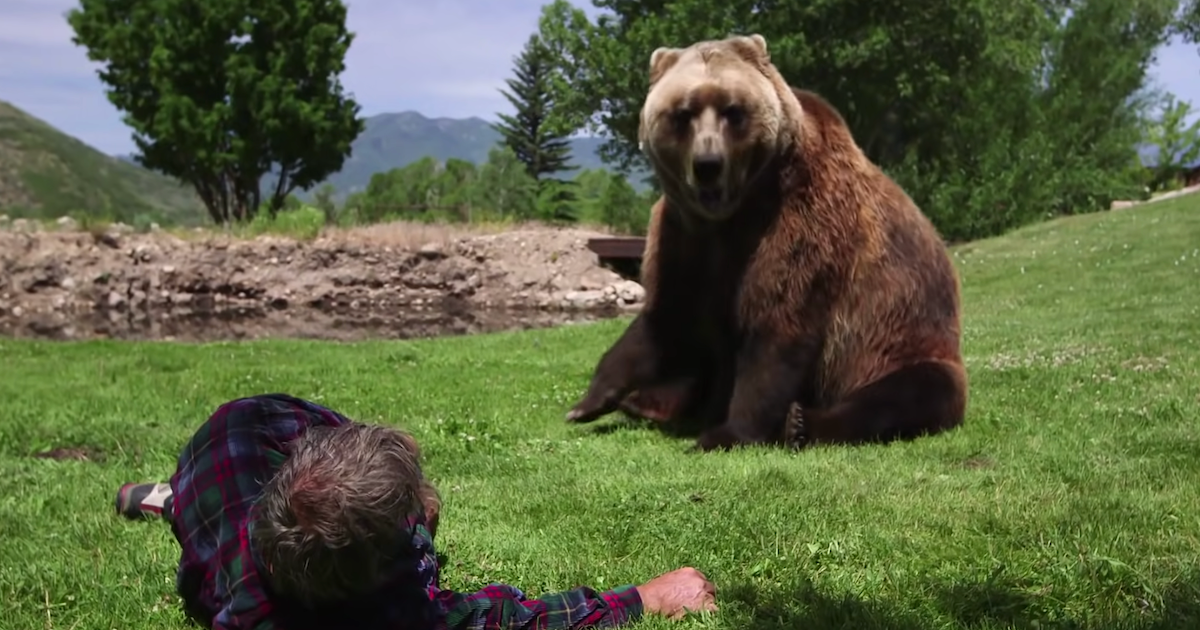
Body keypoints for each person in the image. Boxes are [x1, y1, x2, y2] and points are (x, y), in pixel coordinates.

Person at [115, 393, 718, 630]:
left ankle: (165, 497)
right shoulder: (391, 613)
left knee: (196, 518)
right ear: (379, 569)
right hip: (227, 470)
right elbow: (504, 620)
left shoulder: (254, 440)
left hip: (212, 458)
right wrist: (643, 597)